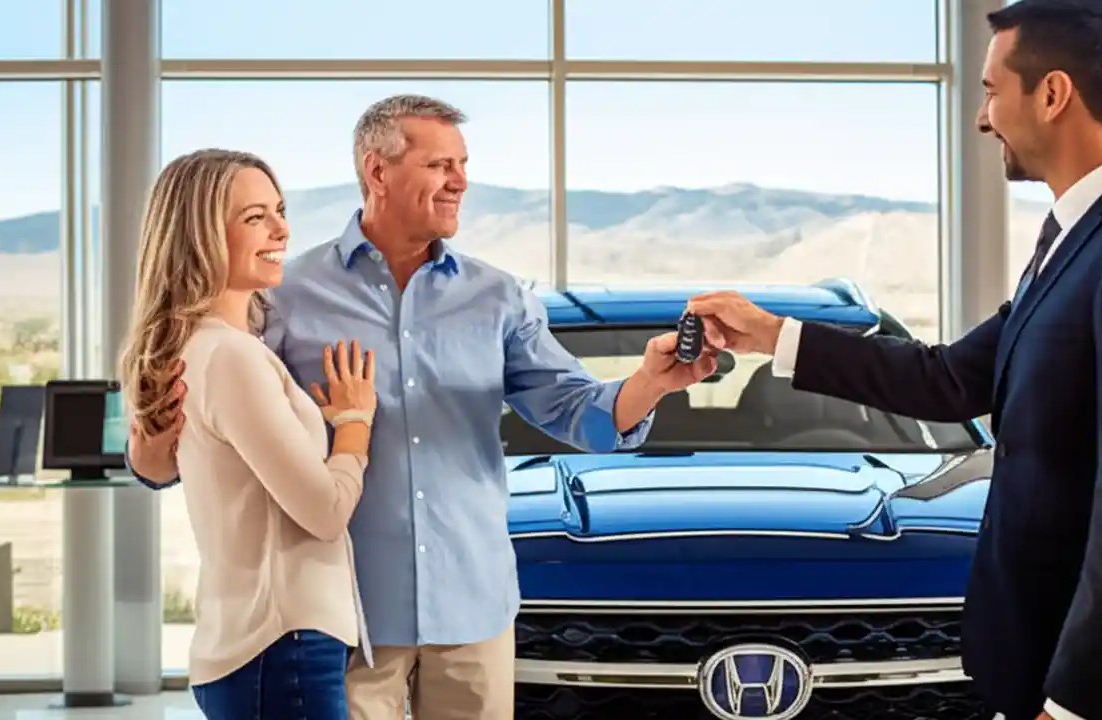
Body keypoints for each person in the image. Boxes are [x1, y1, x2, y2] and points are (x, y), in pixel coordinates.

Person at [686, 2, 1102, 719]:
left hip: (1099, 696)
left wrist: (1072, 703)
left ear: (1054, 93)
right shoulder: (1075, 238)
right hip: (1034, 667)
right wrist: (773, 335)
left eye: (989, 91)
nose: (982, 118)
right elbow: (949, 378)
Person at [128, 95, 719, 720]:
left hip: (473, 610)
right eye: (440, 164)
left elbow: (580, 413)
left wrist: (652, 382)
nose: (461, 181)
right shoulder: (282, 294)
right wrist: (152, 444)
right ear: (377, 171)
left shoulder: (499, 299)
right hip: (347, 622)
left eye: (461, 163)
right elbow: (197, 437)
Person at [120, 148, 379, 719]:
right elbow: (324, 513)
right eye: (254, 216)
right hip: (281, 646)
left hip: (262, 645)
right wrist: (354, 428)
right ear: (200, 234)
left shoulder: (210, 349)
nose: (281, 228)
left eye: (280, 210)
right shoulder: (230, 358)